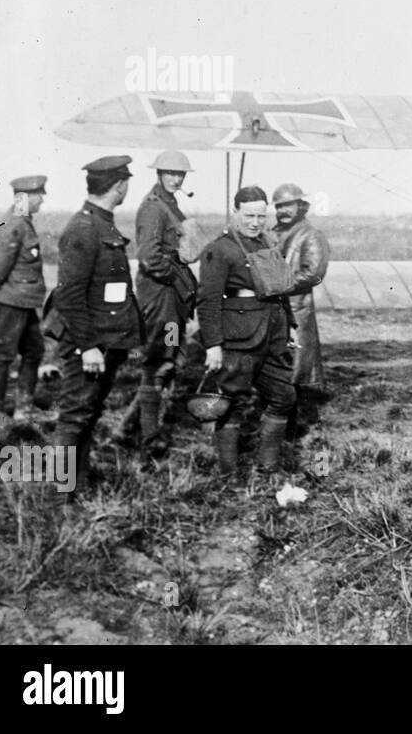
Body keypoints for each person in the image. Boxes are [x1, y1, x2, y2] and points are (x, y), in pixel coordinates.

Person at [44, 157, 142, 495]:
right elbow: (68, 296)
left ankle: (78, 488)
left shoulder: (100, 224)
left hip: (103, 340)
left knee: (87, 414)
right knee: (74, 418)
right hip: (88, 343)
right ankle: (61, 499)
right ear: (119, 186)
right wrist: (87, 346)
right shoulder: (84, 228)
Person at [197, 186, 297, 474]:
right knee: (232, 403)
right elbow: (208, 300)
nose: (255, 222)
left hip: (274, 335)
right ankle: (228, 475)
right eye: (249, 215)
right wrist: (213, 344)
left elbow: (279, 287)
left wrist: (290, 324)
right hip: (238, 338)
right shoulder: (219, 249)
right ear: (235, 213)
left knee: (283, 396)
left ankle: (267, 468)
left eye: (261, 215)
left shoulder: (267, 244)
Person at [132, 150, 198, 456]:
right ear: (158, 174)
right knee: (158, 359)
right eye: (170, 173)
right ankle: (149, 435)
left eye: (180, 174)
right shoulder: (153, 208)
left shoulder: (170, 205)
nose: (176, 178)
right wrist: (175, 277)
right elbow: (149, 257)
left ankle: (137, 425)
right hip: (161, 296)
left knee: (169, 354)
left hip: (172, 297)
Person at [0, 175, 48, 425]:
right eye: (39, 194)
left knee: (34, 351)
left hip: (25, 301)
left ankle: (24, 408)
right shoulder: (13, 225)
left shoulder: (24, 223)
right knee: (2, 355)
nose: (43, 199)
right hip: (11, 302)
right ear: (24, 198)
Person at [272, 182, 330, 438]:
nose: (284, 210)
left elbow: (314, 274)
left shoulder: (311, 235)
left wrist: (277, 284)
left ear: (301, 206)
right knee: (278, 372)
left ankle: (300, 433)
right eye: (279, 206)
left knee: (297, 375)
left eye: (289, 205)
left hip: (297, 312)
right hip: (274, 312)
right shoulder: (273, 233)